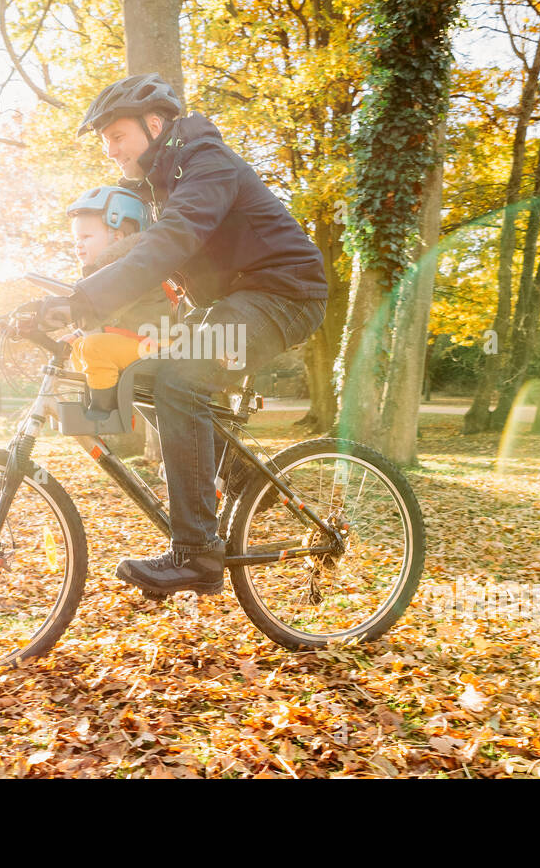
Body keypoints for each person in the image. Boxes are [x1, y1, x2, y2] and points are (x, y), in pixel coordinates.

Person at [36, 73, 328, 596]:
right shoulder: (154, 185)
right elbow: (128, 250)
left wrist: (80, 301)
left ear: (154, 124)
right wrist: (62, 302)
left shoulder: (206, 164)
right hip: (230, 304)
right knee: (145, 371)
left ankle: (195, 554)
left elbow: (170, 242)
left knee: (179, 378)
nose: (110, 150)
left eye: (117, 137)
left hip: (285, 294)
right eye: (105, 142)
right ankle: (239, 478)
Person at [64, 185, 177, 419]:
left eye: (86, 237)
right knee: (80, 348)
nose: (78, 244)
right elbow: (107, 318)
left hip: (156, 346)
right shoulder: (107, 272)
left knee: (94, 347)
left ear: (118, 236)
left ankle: (105, 412)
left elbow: (104, 310)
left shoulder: (132, 270)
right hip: (134, 343)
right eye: (76, 238)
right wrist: (76, 335)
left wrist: (64, 313)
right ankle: (101, 400)